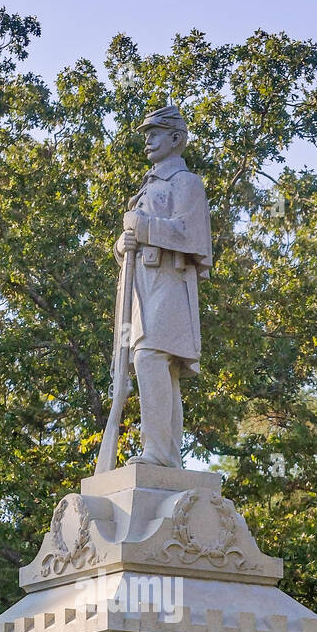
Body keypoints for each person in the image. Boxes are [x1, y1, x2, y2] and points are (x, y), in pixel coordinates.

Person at [115, 105, 213, 468]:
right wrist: (122, 245)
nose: (148, 141)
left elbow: (192, 235)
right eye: (146, 134)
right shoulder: (148, 186)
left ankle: (158, 453)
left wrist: (141, 228)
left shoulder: (186, 183)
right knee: (156, 364)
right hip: (142, 284)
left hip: (171, 282)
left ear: (176, 139)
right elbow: (132, 238)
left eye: (155, 133)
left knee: (150, 358)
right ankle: (167, 455)